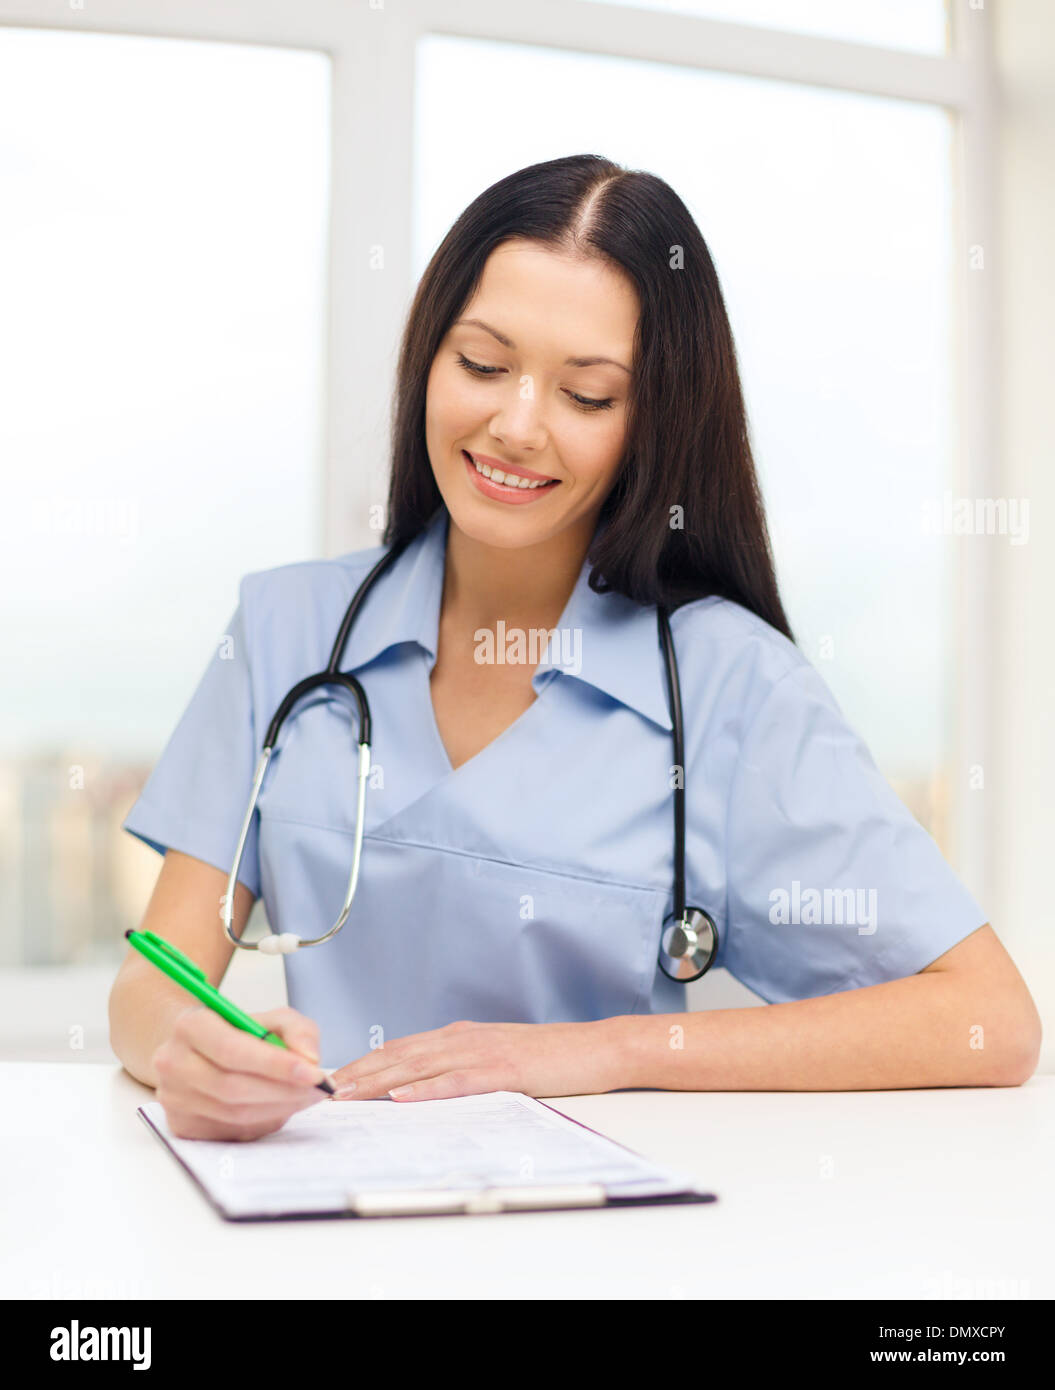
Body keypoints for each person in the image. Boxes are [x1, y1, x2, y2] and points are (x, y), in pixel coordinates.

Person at [109, 154, 1041, 1141]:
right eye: (479, 364)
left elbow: (985, 1017)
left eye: (586, 395)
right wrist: (194, 1052)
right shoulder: (282, 628)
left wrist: (593, 1052)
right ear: (426, 357)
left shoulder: (729, 682)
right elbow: (149, 987)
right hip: (308, 1226)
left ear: (654, 423)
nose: (515, 426)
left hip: (597, 1241)